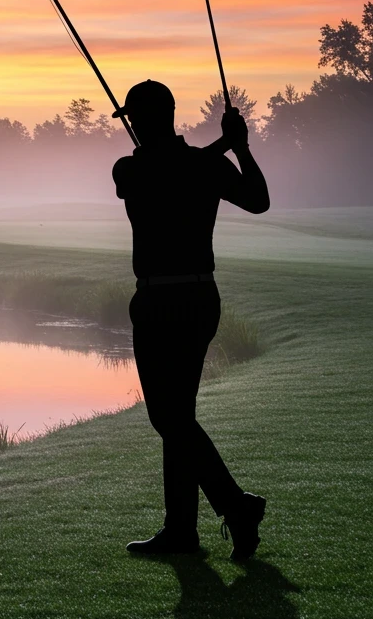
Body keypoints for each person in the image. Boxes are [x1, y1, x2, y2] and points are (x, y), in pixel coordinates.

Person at [111, 79, 270, 560]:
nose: (131, 126)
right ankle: (181, 531)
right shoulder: (154, 168)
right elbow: (178, 173)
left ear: (142, 119)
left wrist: (237, 147)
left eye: (133, 118)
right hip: (200, 299)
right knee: (178, 417)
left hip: (165, 304)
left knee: (169, 416)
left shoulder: (142, 167)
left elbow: (257, 201)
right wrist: (234, 146)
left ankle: (235, 506)